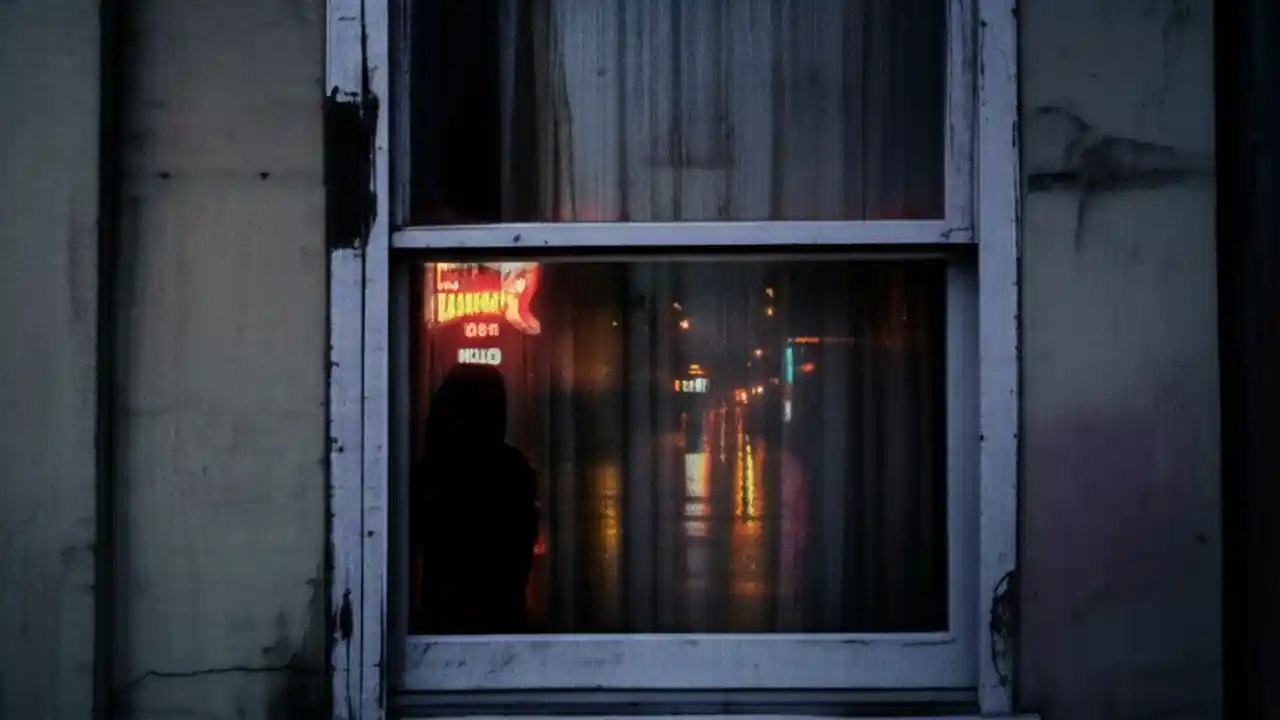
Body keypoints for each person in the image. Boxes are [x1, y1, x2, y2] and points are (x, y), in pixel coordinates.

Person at [414, 363, 538, 634]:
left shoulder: (433, 471)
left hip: (442, 620)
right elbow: (521, 549)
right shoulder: (513, 470)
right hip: (503, 618)